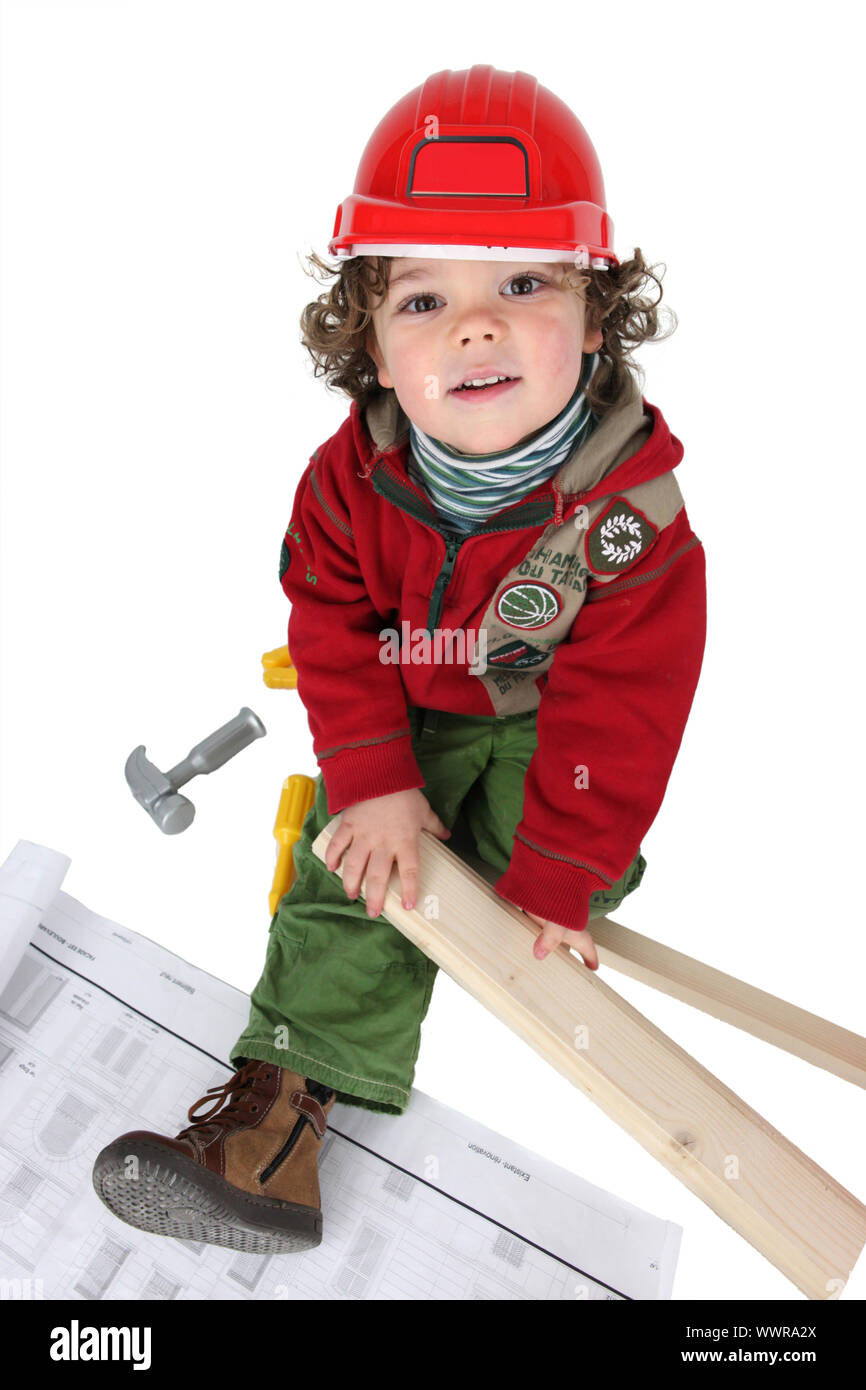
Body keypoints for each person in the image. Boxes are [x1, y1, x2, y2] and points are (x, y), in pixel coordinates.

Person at [91, 64, 706, 1255]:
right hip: (408, 702)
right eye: (422, 301)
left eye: (521, 283)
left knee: (526, 873)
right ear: (369, 347)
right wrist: (372, 775)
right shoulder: (349, 478)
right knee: (353, 877)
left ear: (591, 316)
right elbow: (328, 618)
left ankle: (550, 867)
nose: (474, 324)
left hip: (555, 726)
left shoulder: (630, 519)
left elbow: (626, 703)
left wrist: (561, 865)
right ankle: (272, 1131)